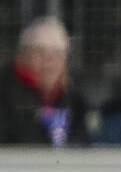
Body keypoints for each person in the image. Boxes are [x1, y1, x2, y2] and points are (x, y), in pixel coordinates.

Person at [0, 17, 87, 146]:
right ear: (22, 55)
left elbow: (83, 141)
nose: (49, 60)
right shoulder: (4, 92)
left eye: (57, 53)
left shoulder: (74, 97)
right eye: (40, 52)